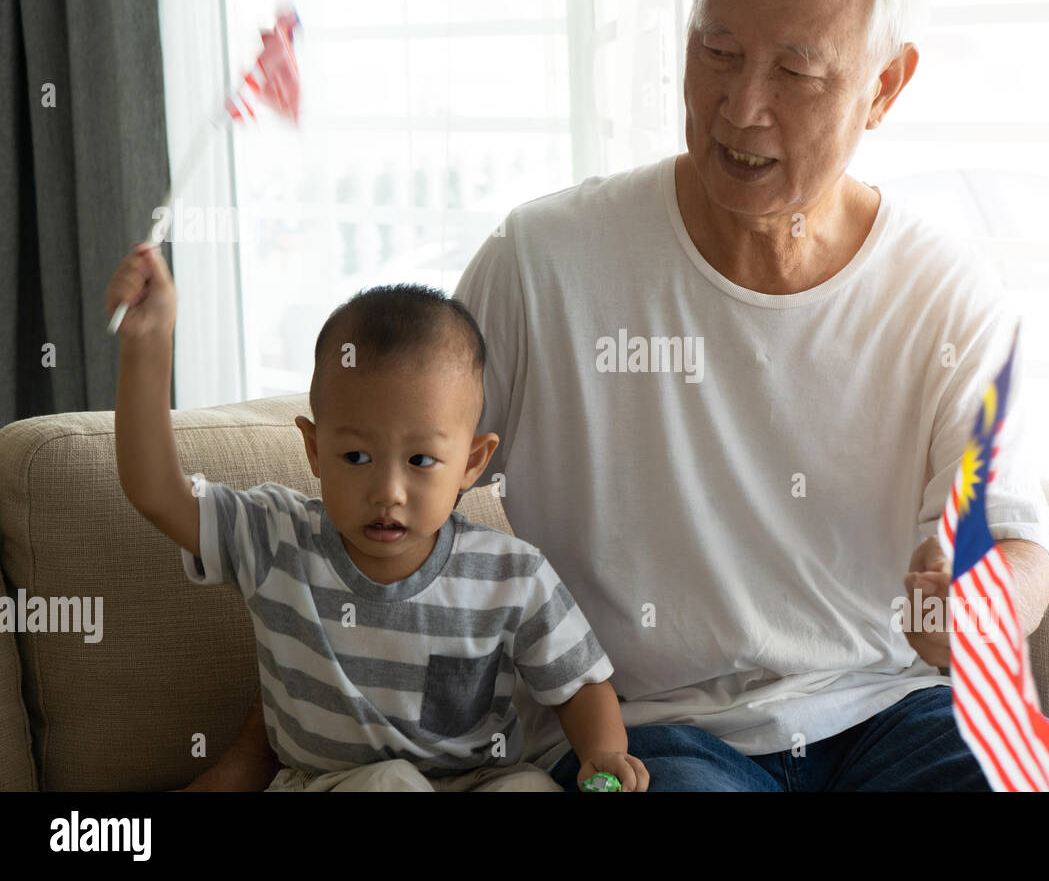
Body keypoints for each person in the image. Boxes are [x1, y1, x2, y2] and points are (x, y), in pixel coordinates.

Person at [192, 0, 1049, 791]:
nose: (739, 108)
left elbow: (1013, 540)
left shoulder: (945, 290)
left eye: (794, 72)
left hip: (896, 716)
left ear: (884, 84)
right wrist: (258, 748)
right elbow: (381, 508)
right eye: (716, 51)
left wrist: (974, 607)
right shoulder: (545, 265)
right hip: (658, 735)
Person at [106, 250, 648, 791]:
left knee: (528, 788)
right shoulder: (273, 538)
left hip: (477, 778)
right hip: (334, 783)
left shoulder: (512, 574)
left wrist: (604, 754)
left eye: (420, 462)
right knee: (390, 784)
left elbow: (580, 685)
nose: (388, 493)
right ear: (315, 450)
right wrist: (148, 346)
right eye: (357, 458)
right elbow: (156, 492)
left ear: (472, 463)